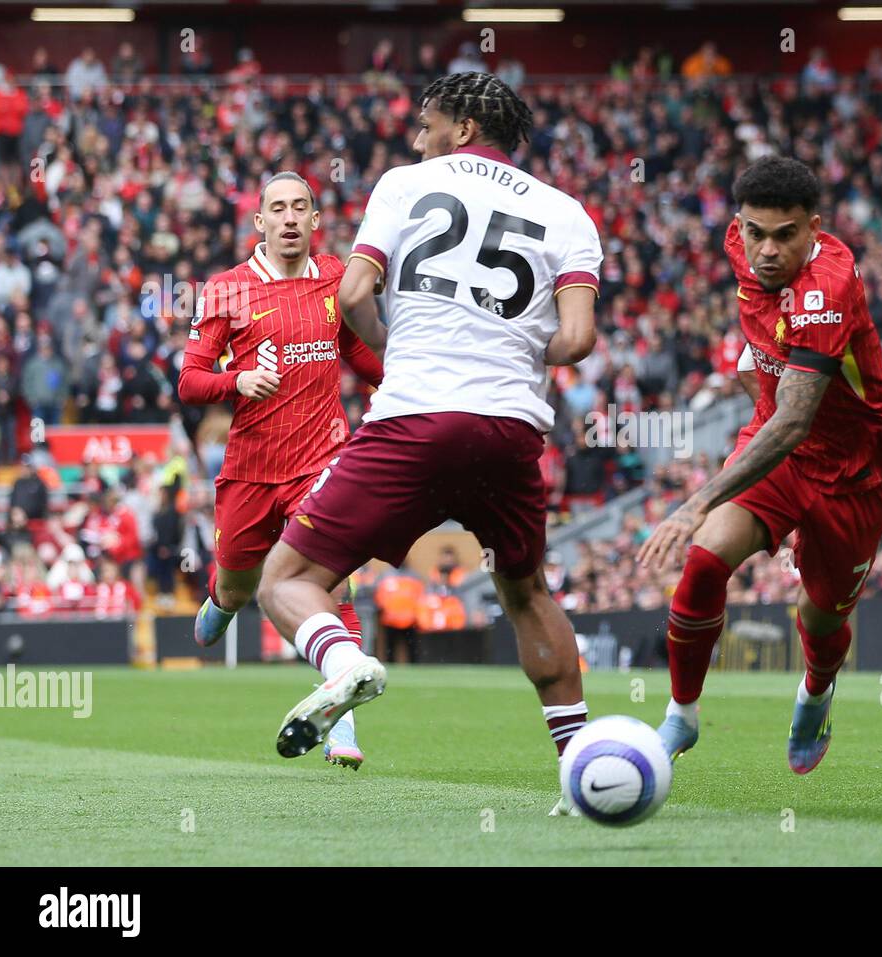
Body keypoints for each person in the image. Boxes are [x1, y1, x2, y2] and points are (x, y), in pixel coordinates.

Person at [256, 73, 602, 816]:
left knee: (285, 577)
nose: (417, 138)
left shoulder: (404, 184)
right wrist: (506, 346)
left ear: (465, 126)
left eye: (427, 123)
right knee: (526, 590)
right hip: (509, 428)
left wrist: (401, 347)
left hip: (412, 417)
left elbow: (351, 297)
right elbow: (576, 340)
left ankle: (347, 664)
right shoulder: (569, 212)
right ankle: (582, 773)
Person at [638, 156, 882, 775]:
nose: (766, 249)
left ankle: (815, 691)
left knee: (821, 614)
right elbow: (772, 400)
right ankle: (682, 715)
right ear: (738, 225)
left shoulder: (827, 291)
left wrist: (694, 501)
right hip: (776, 445)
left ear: (813, 228)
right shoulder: (742, 243)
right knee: (705, 558)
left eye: (786, 235)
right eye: (755, 232)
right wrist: (752, 370)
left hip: (848, 471)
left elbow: (793, 422)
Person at [178, 171, 384, 769]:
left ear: (316, 220)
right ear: (259, 222)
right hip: (249, 470)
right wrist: (236, 380)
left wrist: (400, 381)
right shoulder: (227, 290)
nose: (290, 217)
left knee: (327, 583)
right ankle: (220, 602)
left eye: (301, 207)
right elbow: (189, 380)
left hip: (322, 462)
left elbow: (357, 351)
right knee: (239, 586)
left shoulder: (337, 278)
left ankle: (341, 728)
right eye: (278, 208)